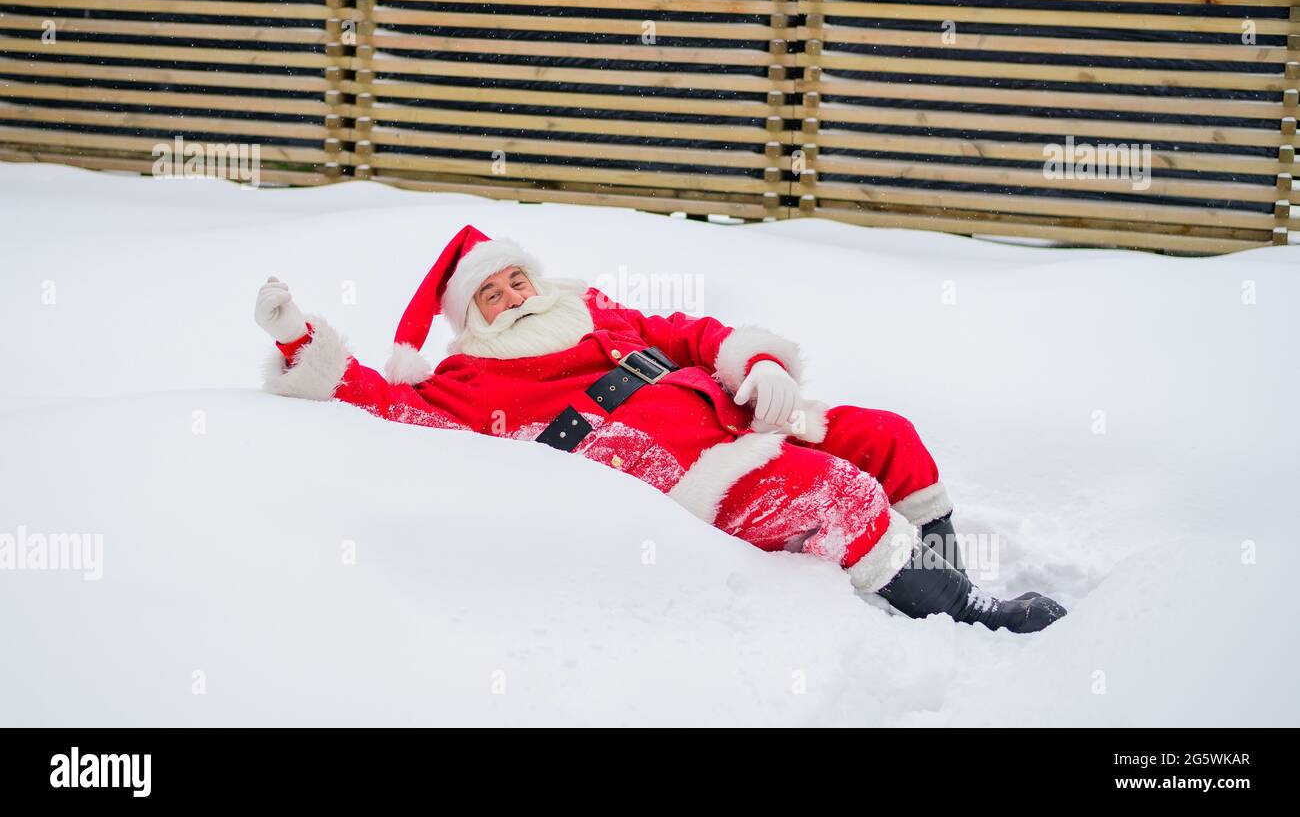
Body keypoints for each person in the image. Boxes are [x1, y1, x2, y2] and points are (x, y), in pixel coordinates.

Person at [255, 224, 1065, 633]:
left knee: (885, 435)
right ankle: (966, 616)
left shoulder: (595, 309)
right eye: (492, 294)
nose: (514, 295)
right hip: (696, 484)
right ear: (472, 318)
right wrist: (299, 338)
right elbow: (376, 397)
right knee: (841, 492)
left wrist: (755, 364)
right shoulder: (468, 379)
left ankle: (945, 573)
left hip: (744, 419)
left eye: (515, 278)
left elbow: (684, 333)